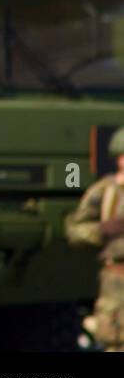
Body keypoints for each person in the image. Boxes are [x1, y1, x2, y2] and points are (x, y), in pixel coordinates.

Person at [65, 127, 124, 351]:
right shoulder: (104, 191)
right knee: (112, 339)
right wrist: (103, 230)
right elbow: (75, 230)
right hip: (115, 277)